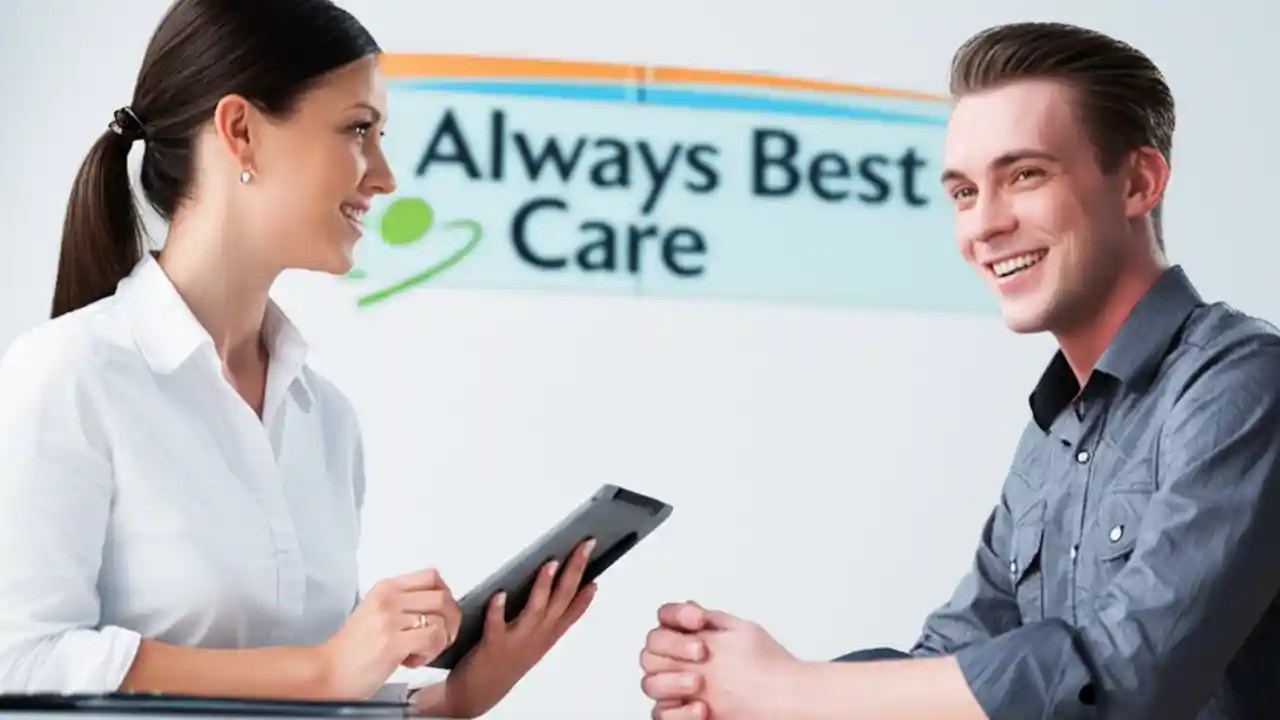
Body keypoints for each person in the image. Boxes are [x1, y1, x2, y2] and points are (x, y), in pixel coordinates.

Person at [637, 21, 1280, 720]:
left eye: (1024, 175)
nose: (983, 226)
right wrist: (738, 689)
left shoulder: (1243, 385)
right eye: (964, 193)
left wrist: (789, 690)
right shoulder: (1055, 436)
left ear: (1138, 182)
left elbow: (1126, 682)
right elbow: (949, 662)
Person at [0, 1, 597, 716]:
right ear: (241, 132)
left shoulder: (325, 420)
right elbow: (20, 661)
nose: (383, 176)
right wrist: (322, 669)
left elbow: (321, 701)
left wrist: (459, 696)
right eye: (357, 131)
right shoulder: (65, 377)